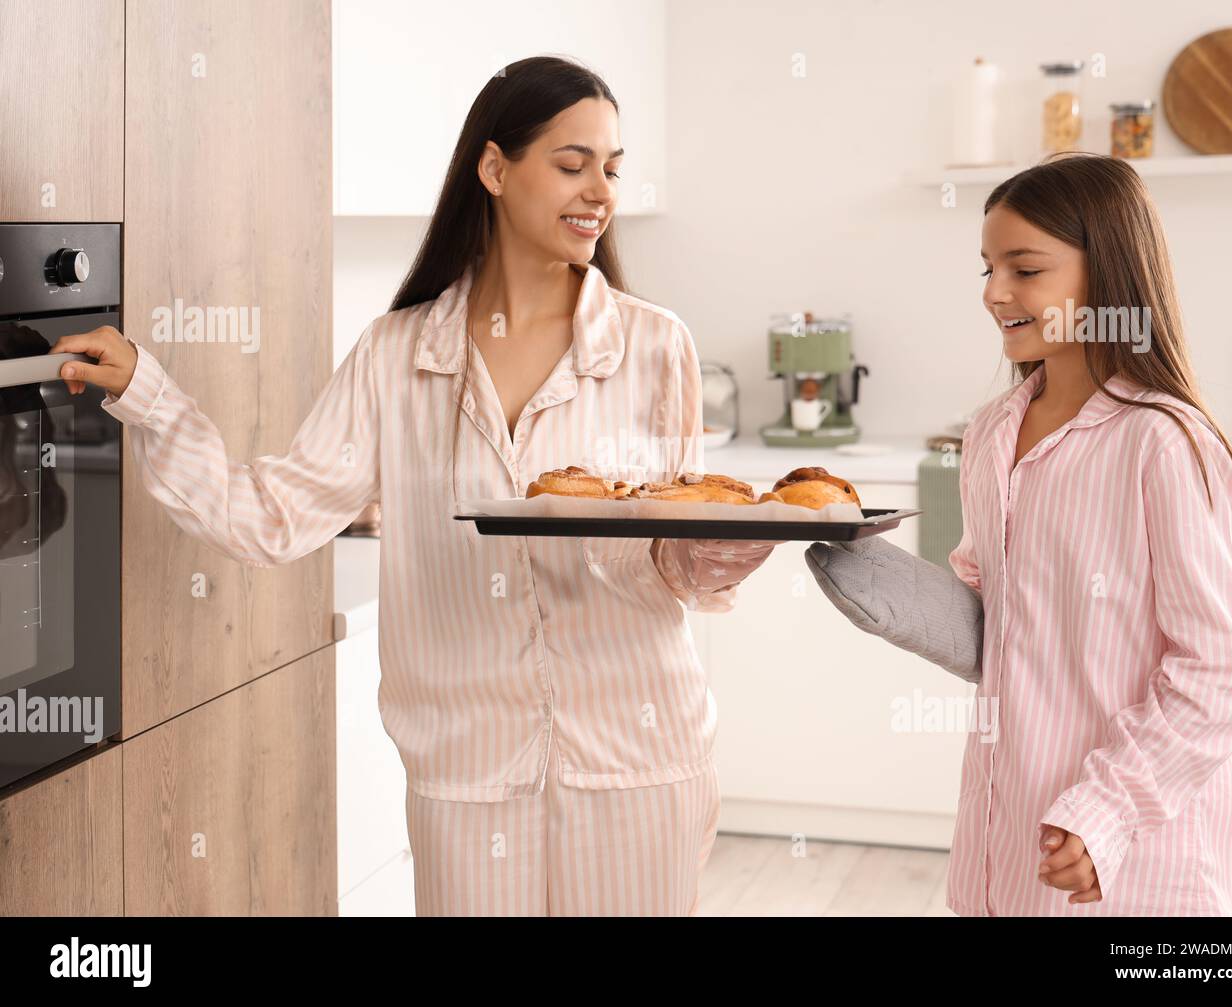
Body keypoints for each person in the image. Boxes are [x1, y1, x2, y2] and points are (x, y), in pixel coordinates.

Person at [50, 56, 776, 916]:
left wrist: (724, 552)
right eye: (573, 164)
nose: (600, 192)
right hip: (468, 779)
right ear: (496, 168)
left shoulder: (656, 346)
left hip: (640, 764)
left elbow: (672, 561)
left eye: (612, 169)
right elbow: (270, 520)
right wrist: (151, 394)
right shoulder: (396, 357)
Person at [808, 153, 1232, 916]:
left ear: (1108, 277)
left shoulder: (1164, 444)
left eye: (1025, 269)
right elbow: (997, 605)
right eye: (988, 268)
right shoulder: (993, 432)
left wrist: (1108, 810)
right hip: (1015, 828)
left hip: (1143, 858)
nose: (995, 293)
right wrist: (907, 596)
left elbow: (1219, 674)